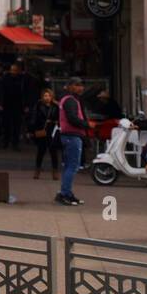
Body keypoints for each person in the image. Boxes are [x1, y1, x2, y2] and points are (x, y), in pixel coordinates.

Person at [55, 76, 93, 206]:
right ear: (70, 86)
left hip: (69, 135)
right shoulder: (70, 100)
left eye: (81, 85)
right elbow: (72, 118)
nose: (80, 87)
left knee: (68, 166)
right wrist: (87, 125)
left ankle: (67, 193)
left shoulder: (68, 99)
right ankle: (65, 194)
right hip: (72, 136)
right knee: (73, 166)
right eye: (77, 85)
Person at [28, 87, 60, 179]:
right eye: (45, 95)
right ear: (42, 96)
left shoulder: (56, 106)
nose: (47, 97)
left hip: (52, 131)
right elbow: (33, 117)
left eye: (49, 95)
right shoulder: (38, 105)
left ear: (52, 96)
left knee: (53, 152)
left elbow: (59, 118)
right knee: (40, 151)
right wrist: (31, 130)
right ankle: (37, 170)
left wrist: (55, 122)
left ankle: (55, 171)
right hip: (41, 130)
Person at [0, 62, 28, 151]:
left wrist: (25, 105)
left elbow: (25, 93)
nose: (13, 72)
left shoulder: (22, 79)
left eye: (15, 70)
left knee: (17, 126)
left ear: (18, 71)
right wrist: (1, 103)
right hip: (7, 104)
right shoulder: (5, 78)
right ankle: (6, 141)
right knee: (6, 125)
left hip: (18, 105)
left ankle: (15, 143)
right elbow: (2, 92)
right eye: (12, 70)